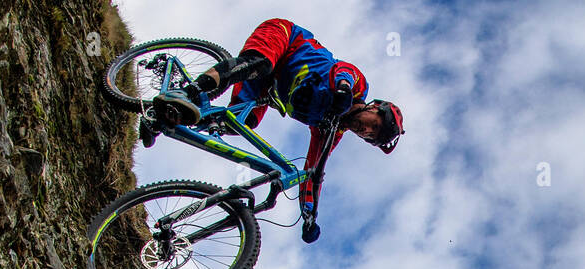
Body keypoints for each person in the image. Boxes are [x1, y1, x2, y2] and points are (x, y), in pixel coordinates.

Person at [153, 18, 404, 242]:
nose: (366, 130)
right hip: (285, 39)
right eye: (374, 124)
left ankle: (166, 117)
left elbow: (313, 173)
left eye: (370, 136)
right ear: (374, 107)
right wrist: (343, 89)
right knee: (258, 63)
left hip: (267, 87)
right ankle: (186, 92)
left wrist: (309, 215)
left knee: (241, 121)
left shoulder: (330, 130)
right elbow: (345, 73)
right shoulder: (357, 87)